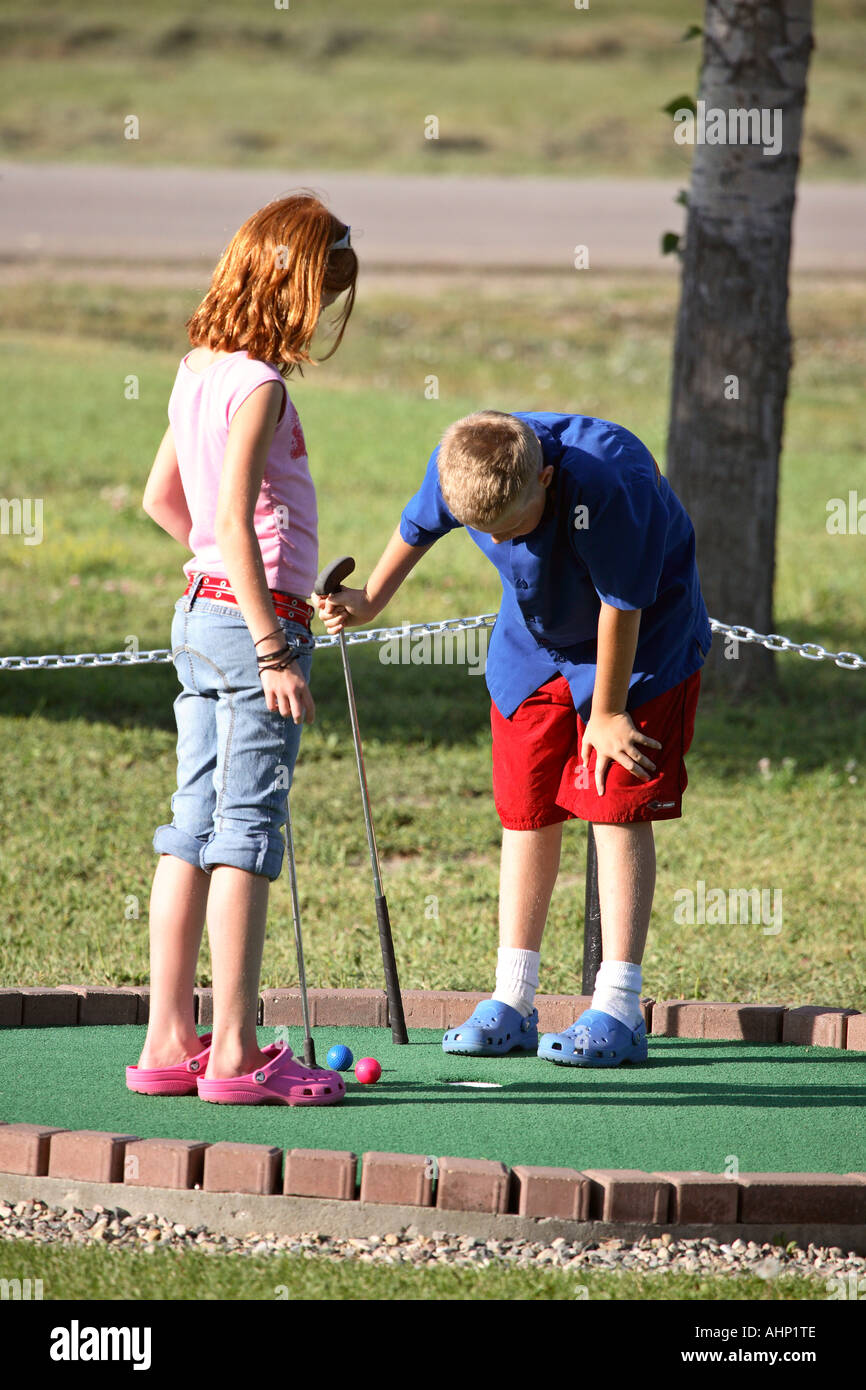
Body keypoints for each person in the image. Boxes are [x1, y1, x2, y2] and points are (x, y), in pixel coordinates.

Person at [313, 409, 711, 1067]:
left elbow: (622, 605)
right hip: (534, 646)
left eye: (513, 528)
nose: (500, 543)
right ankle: (512, 1000)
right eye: (483, 533)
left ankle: (617, 1007)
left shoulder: (611, 485)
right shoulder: (466, 466)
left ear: (547, 480)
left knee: (614, 805)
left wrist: (608, 714)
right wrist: (372, 599)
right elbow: (417, 525)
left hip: (639, 649)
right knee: (526, 811)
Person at [127, 195, 356, 1104]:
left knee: (191, 824)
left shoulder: (196, 369)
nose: (325, 317)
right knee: (247, 828)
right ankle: (234, 1054)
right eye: (323, 296)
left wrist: (218, 581)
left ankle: (168, 1038)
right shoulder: (260, 385)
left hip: (198, 613)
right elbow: (229, 518)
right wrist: (271, 642)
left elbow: (162, 502)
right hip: (252, 628)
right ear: (291, 288)